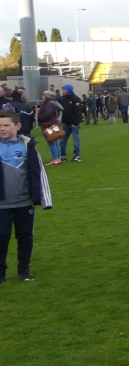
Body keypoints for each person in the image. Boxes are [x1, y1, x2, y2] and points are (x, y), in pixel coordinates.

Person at [0, 109, 51, 283]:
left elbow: (39, 173)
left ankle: (24, 270)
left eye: (6, 125)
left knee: (25, 236)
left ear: (18, 126)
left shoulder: (28, 146)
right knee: (1, 236)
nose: (2, 128)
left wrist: (45, 200)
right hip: (1, 204)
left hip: (24, 202)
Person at [37, 92, 64, 165]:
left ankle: (55, 159)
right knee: (55, 143)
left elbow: (47, 114)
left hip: (48, 125)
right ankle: (58, 158)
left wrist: (39, 117)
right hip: (53, 124)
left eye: (43, 95)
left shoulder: (48, 104)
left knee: (51, 143)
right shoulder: (52, 104)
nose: (42, 97)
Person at [59, 84, 83, 162]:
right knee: (63, 140)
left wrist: (75, 123)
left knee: (76, 140)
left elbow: (78, 112)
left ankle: (77, 155)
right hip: (66, 123)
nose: (63, 91)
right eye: (63, 90)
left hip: (74, 124)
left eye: (65, 90)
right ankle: (63, 155)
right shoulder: (63, 99)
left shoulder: (76, 99)